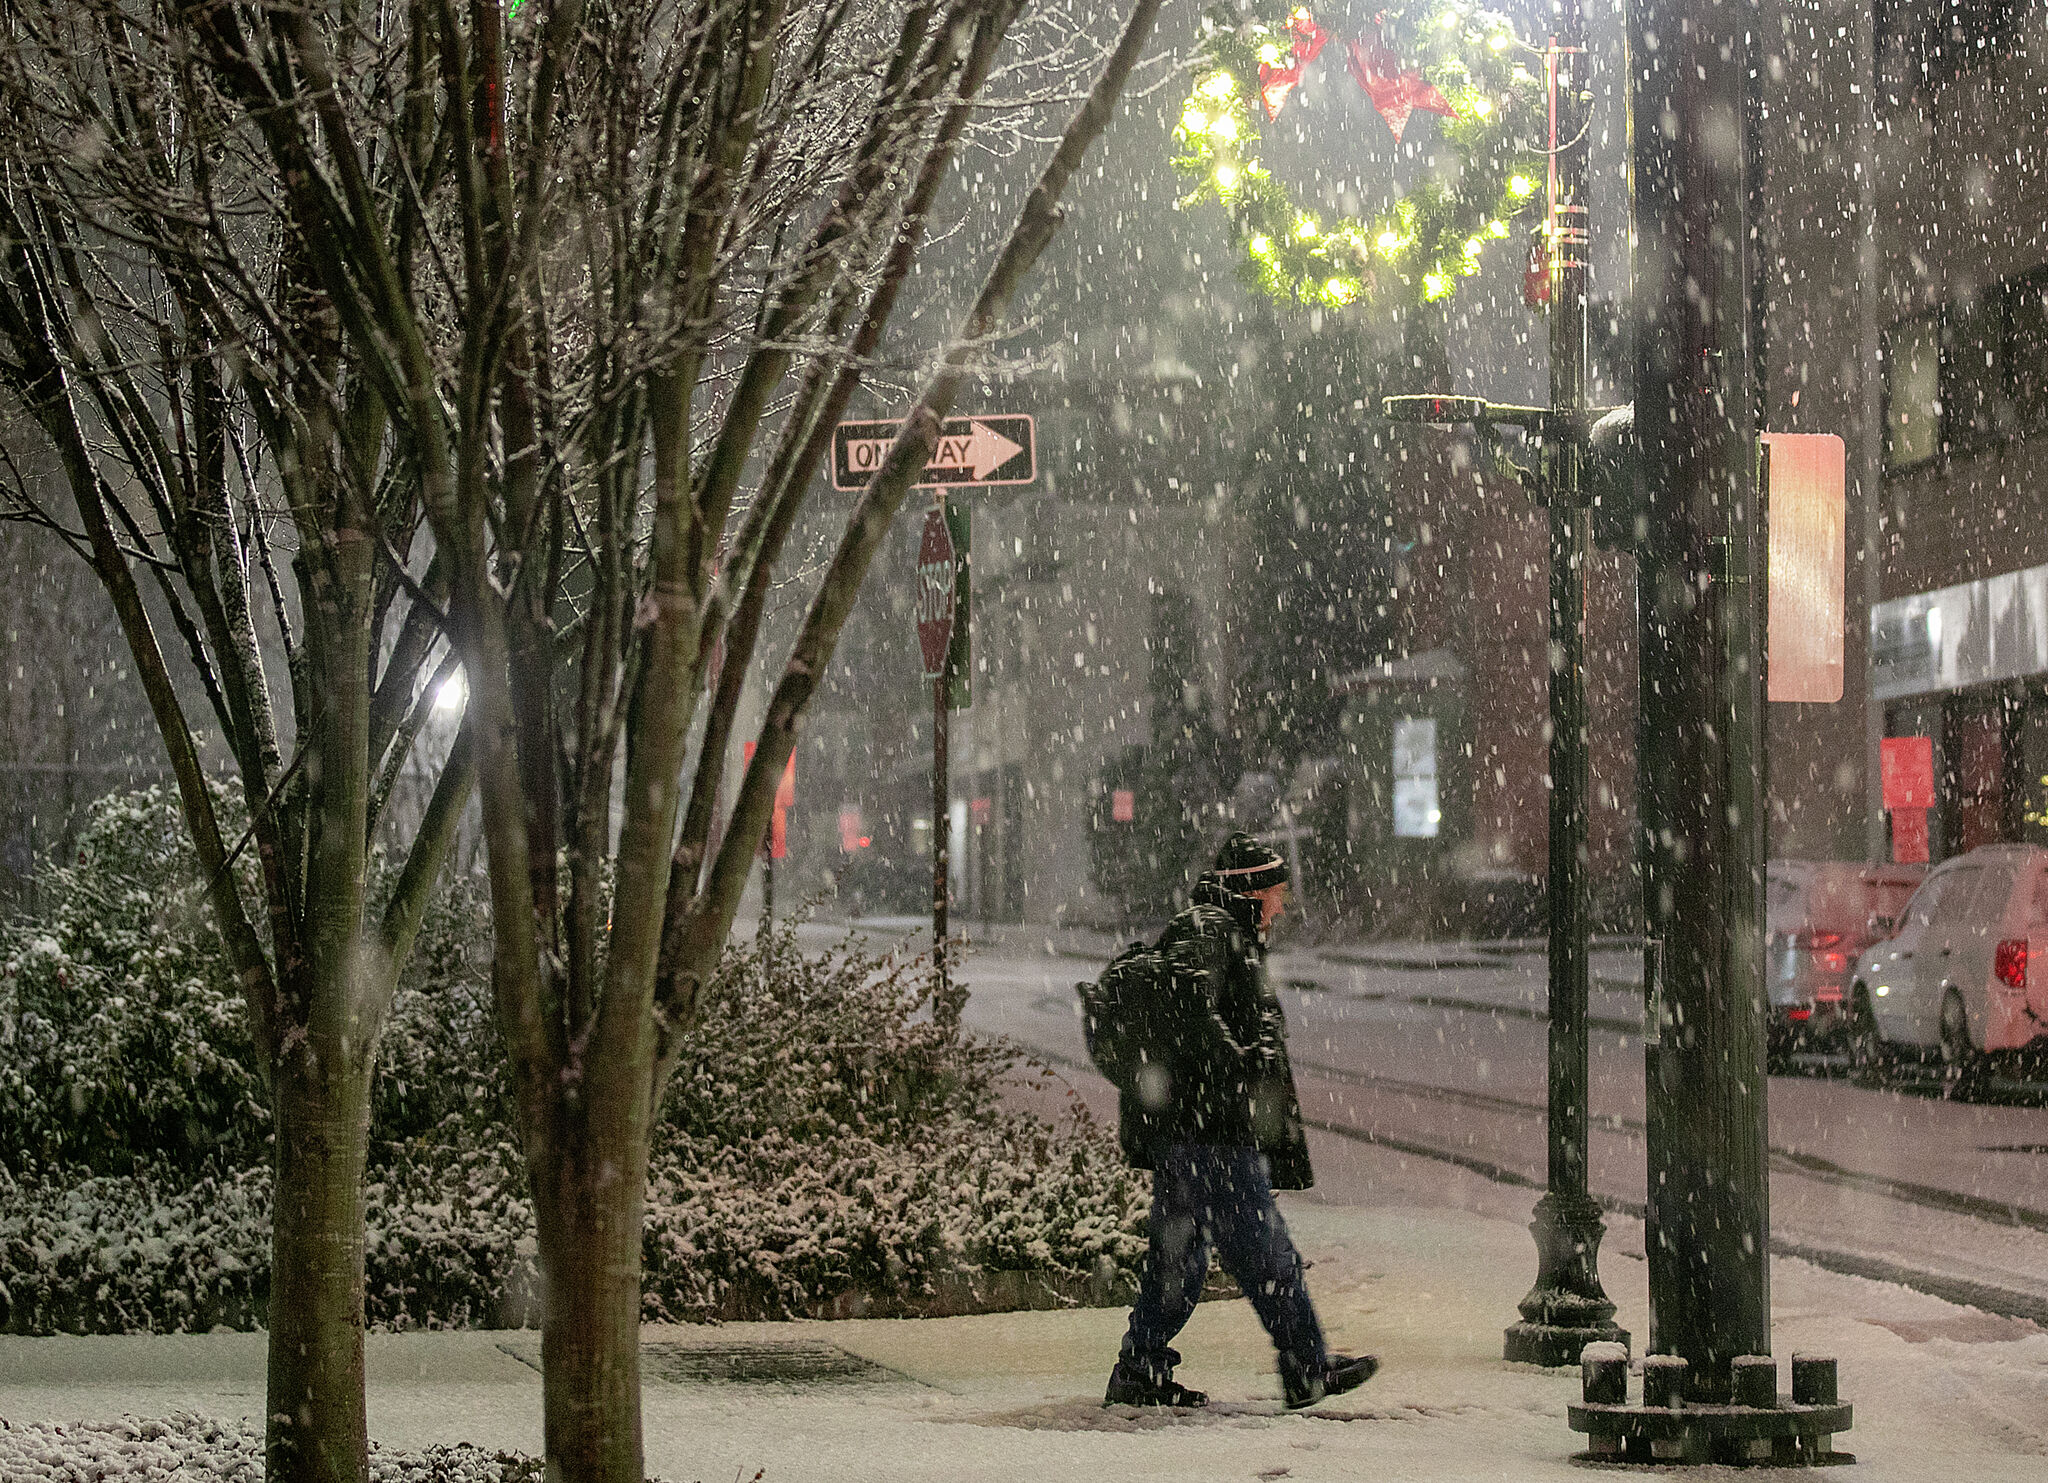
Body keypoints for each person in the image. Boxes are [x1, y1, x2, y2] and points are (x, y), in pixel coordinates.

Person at [1103, 831, 1378, 1411]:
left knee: (1178, 1257)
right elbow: (1187, 1000)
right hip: (1212, 1132)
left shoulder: (1223, 931)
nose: (1281, 905)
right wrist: (1237, 1062)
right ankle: (1305, 1366)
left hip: (1196, 1130)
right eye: (1275, 893)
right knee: (1263, 1249)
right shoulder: (1207, 928)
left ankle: (1140, 1368)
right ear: (1251, 894)